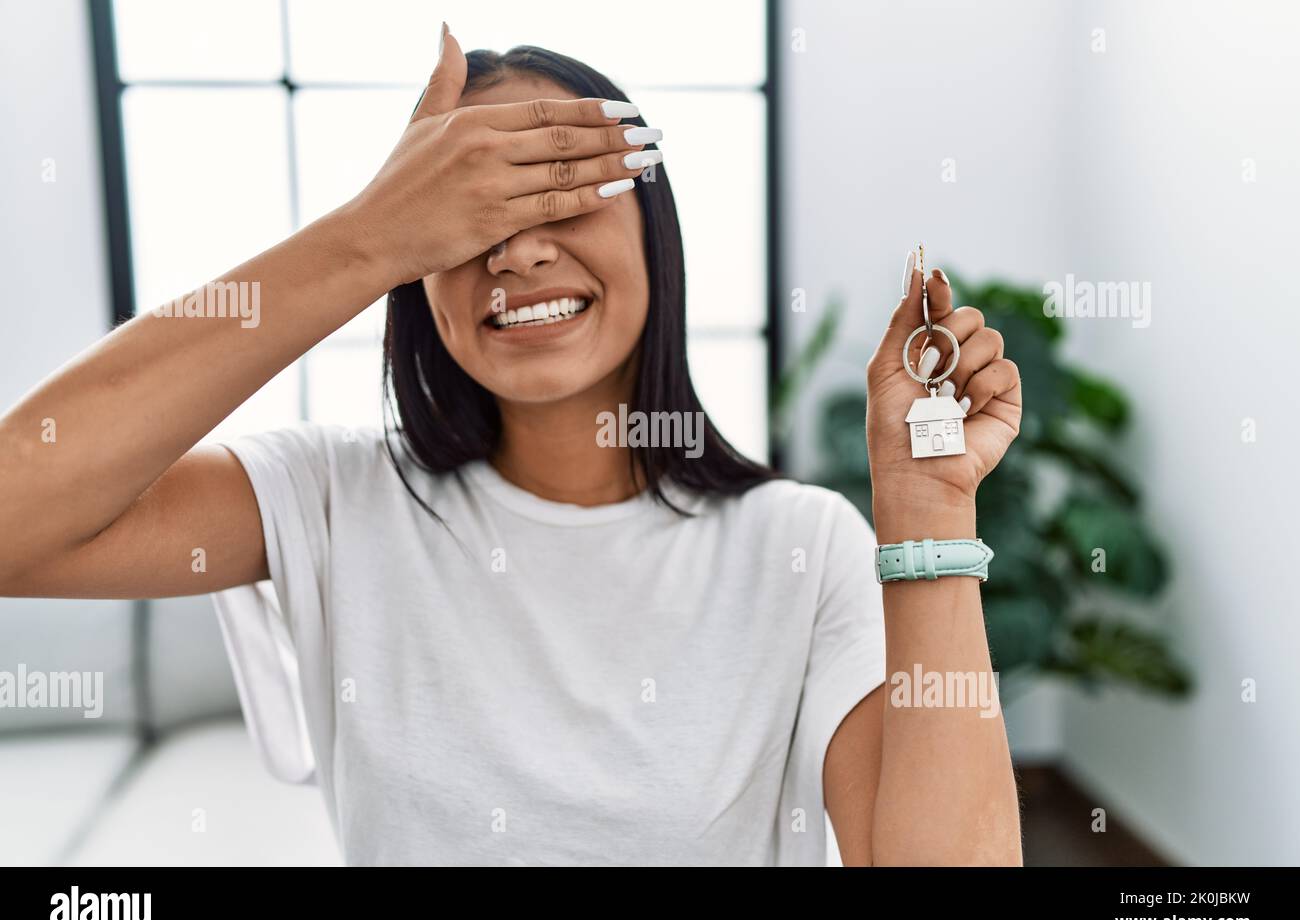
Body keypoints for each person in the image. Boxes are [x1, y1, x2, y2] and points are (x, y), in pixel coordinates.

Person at [0, 25, 1023, 865]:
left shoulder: (798, 547)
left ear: (650, 229)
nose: (518, 247)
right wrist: (364, 236)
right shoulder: (330, 500)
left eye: (557, 190)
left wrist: (927, 508)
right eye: (467, 210)